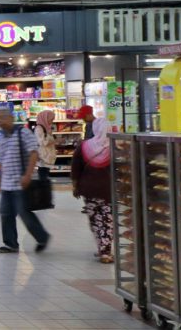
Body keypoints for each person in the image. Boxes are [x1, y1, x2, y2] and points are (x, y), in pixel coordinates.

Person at [0, 107, 51, 254]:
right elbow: (1, 161)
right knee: (5, 213)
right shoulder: (2, 138)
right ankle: (11, 244)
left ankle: (42, 237)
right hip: (7, 184)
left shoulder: (23, 133)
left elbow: (33, 154)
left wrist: (27, 175)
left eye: (2, 118)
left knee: (24, 213)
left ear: (11, 118)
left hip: (21, 182)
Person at [72, 106, 114, 263]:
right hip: (107, 190)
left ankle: (102, 248)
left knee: (95, 219)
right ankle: (105, 251)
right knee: (107, 219)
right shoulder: (114, 148)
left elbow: (75, 168)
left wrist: (75, 186)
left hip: (89, 190)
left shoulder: (84, 146)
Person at [34, 109, 57, 180]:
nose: (52, 121)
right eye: (51, 119)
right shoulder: (39, 128)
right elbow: (42, 142)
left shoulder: (47, 128)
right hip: (43, 157)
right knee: (43, 177)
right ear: (45, 118)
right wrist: (55, 141)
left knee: (44, 176)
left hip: (47, 157)